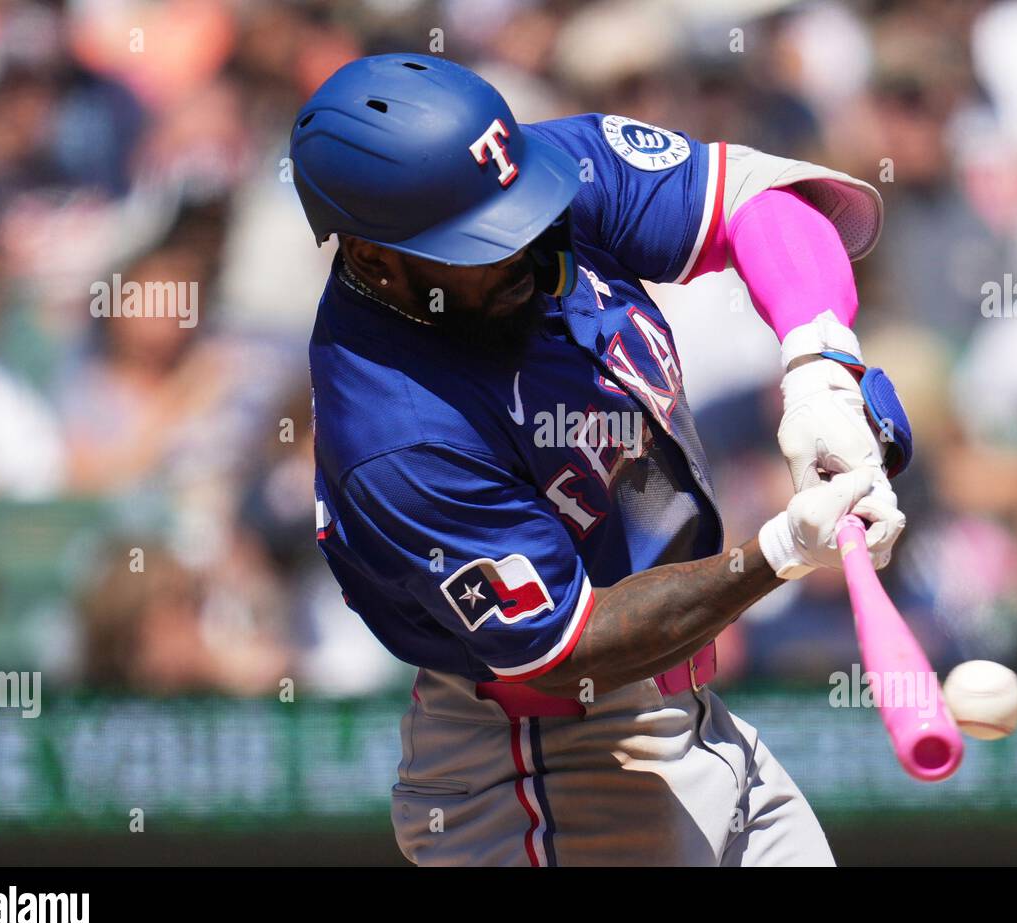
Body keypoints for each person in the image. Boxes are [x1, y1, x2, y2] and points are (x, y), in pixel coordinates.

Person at [292, 54, 910, 866]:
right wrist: (780, 554)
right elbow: (572, 653)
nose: (521, 244)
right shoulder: (394, 430)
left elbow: (768, 203)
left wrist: (819, 363)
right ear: (376, 259)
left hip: (690, 714)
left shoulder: (520, 176)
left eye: (520, 212)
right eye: (481, 244)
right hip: (551, 765)